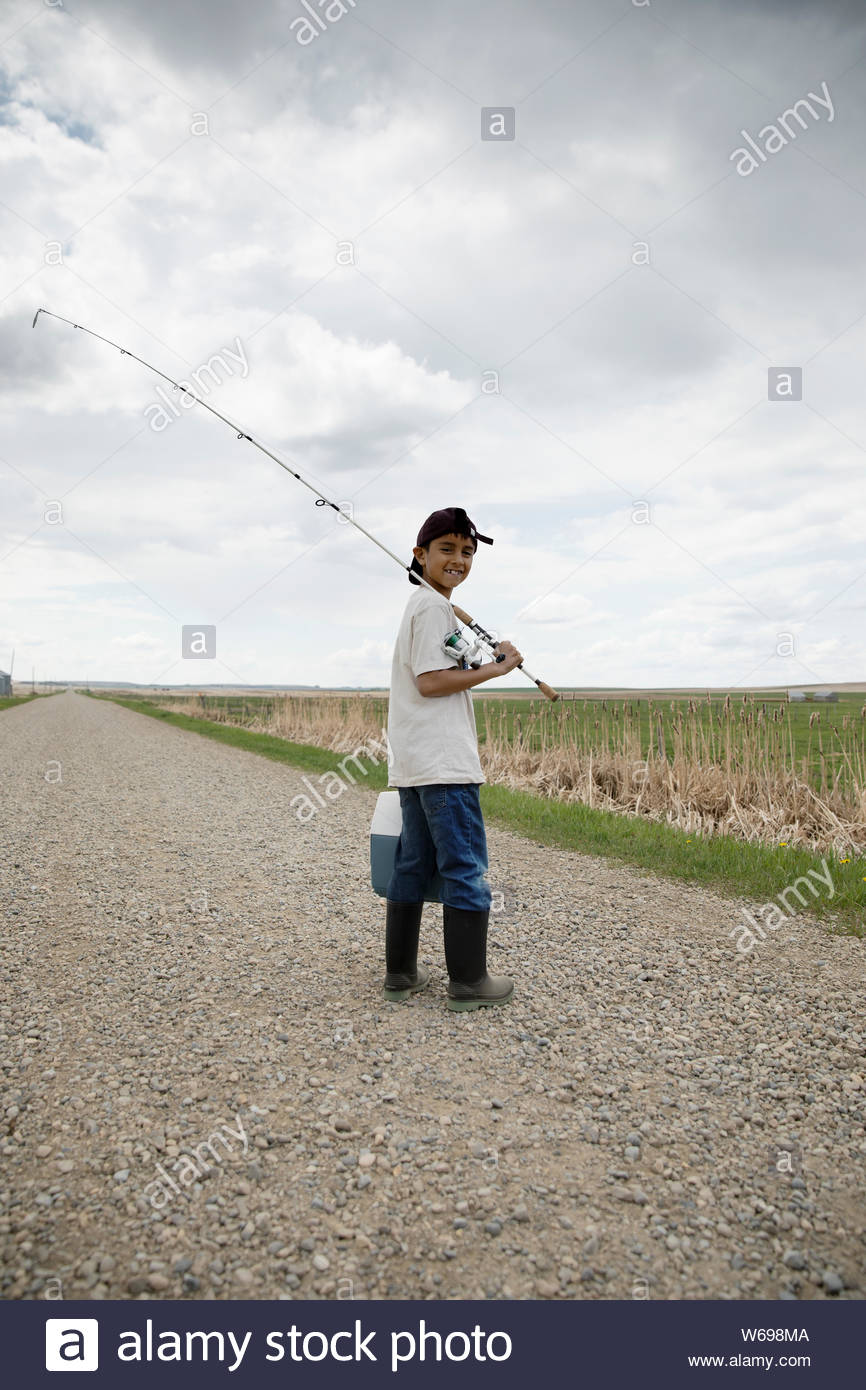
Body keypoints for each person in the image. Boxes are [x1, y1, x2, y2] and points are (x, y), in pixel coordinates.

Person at [382, 505, 523, 1011]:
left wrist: (490, 661)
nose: (459, 559)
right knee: (465, 866)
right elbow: (432, 681)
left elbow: (447, 665)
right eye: (447, 549)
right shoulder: (432, 607)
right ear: (419, 555)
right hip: (444, 765)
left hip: (419, 763)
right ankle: (468, 981)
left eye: (467, 552)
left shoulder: (427, 608)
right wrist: (499, 671)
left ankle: (400, 973)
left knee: (415, 864)